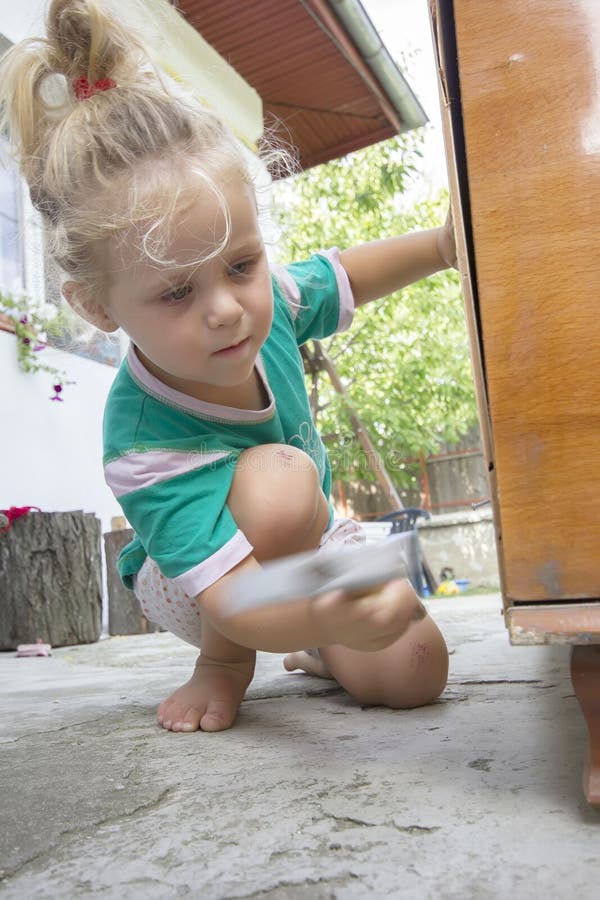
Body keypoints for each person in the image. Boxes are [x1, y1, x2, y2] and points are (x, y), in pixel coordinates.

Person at [1, 0, 456, 734]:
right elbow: (234, 595)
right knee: (279, 479)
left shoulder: (263, 300)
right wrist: (285, 618)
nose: (226, 308)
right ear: (97, 307)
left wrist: (442, 246)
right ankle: (225, 665)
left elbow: (347, 272)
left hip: (301, 549)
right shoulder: (142, 439)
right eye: (178, 291)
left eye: (240, 264)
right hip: (203, 585)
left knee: (414, 671)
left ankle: (317, 648)